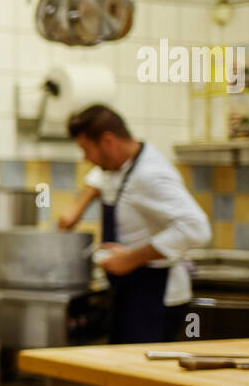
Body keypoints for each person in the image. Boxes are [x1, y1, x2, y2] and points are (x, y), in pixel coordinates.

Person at [57, 104, 210, 344]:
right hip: (131, 293)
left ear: (108, 141)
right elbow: (102, 177)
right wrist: (80, 205)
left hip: (156, 299)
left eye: (86, 149)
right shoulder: (122, 163)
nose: (85, 158)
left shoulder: (150, 175)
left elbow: (196, 228)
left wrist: (130, 259)